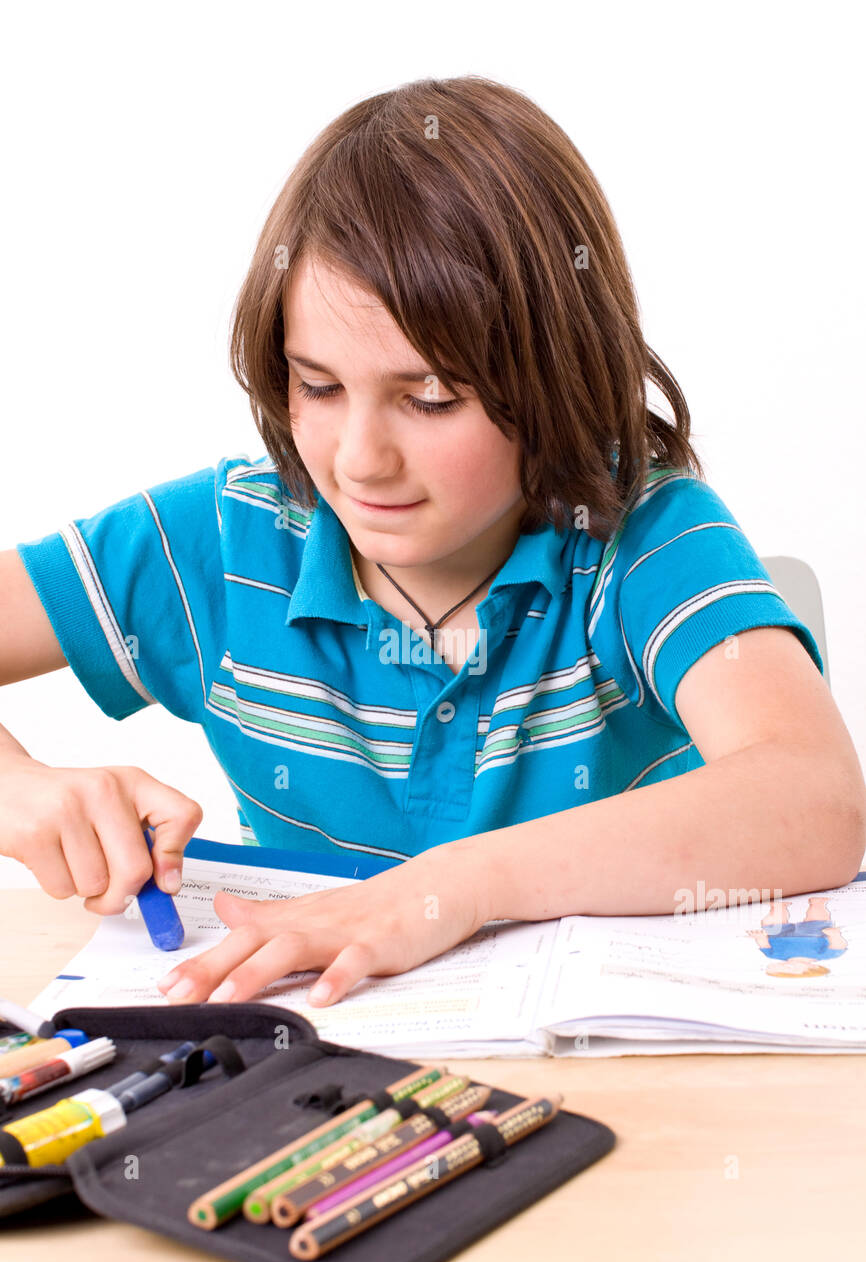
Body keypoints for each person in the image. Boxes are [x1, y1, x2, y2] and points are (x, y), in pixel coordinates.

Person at [1, 76, 864, 1011]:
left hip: (622, 1090)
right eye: (317, 387)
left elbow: (815, 799)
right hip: (323, 1083)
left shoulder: (642, 537)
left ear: (553, 377)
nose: (360, 462)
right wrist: (20, 791)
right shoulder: (223, 538)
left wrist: (443, 892)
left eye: (430, 399)